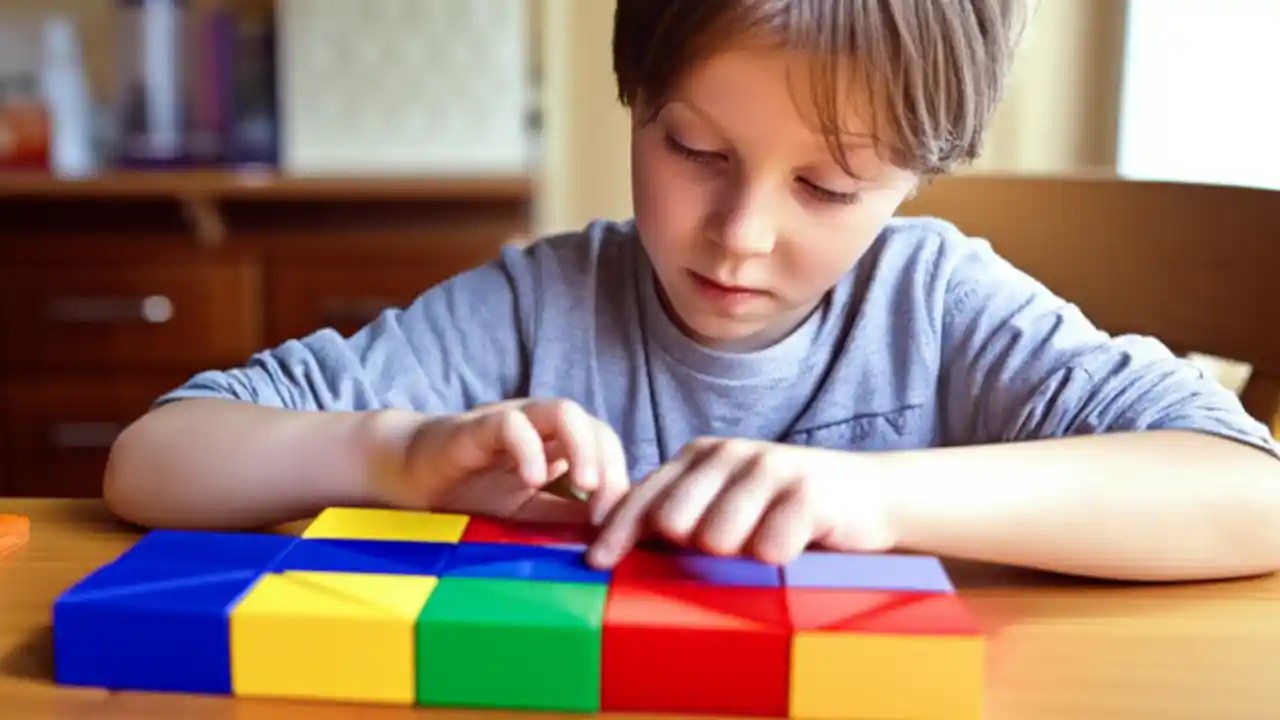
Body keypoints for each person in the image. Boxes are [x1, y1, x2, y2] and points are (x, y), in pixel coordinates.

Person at [104, 0, 1280, 582]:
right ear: (636, 101)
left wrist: (876, 499)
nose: (741, 234)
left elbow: (1250, 497)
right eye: (696, 152)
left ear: (916, 174)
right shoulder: (540, 305)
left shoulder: (936, 305)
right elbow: (154, 458)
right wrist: (395, 454)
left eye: (826, 184)